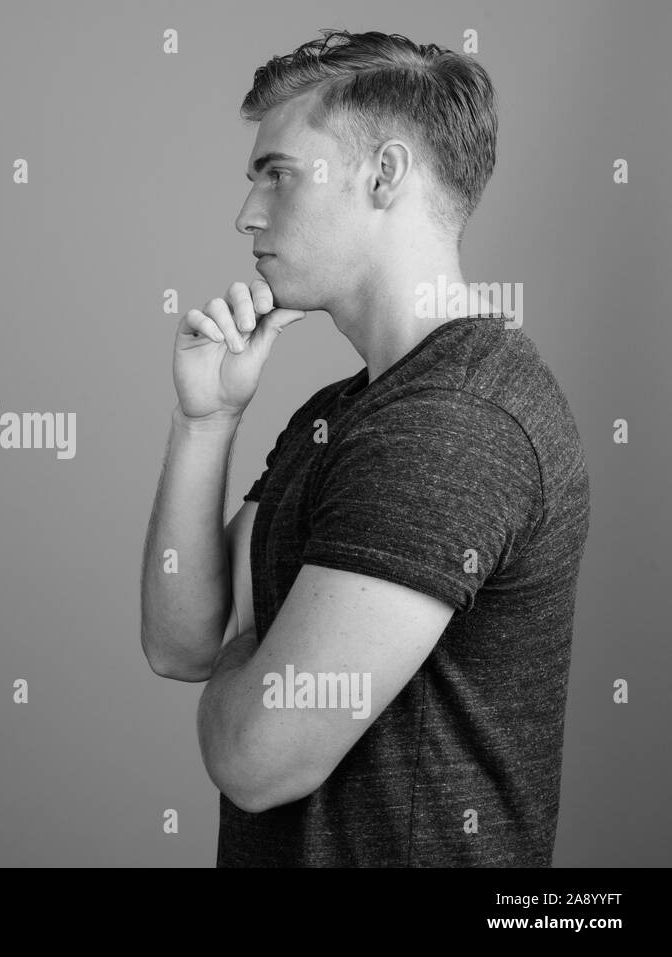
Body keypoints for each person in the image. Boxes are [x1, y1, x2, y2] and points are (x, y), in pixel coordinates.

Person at [139, 29, 591, 866]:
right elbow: (181, 642)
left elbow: (256, 758)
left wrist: (249, 659)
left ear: (384, 175)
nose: (246, 214)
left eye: (277, 174)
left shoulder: (452, 423)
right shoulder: (346, 412)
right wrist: (206, 421)